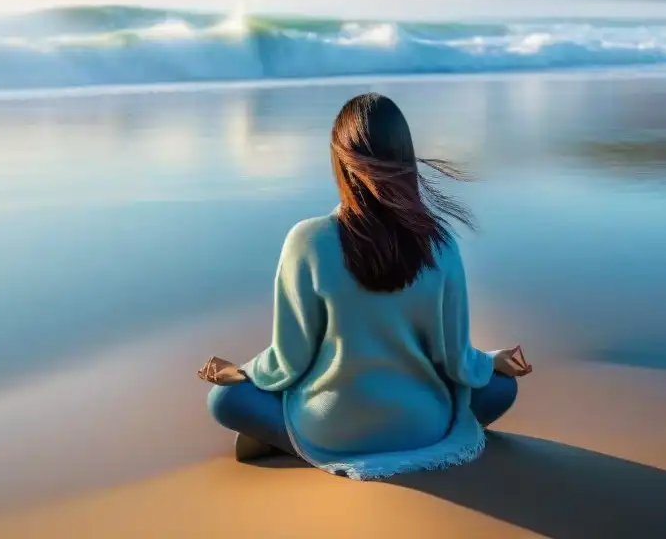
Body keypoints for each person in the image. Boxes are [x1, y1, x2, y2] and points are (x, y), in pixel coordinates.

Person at [205, 92, 532, 480]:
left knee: (225, 400)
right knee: (501, 388)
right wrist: (490, 360)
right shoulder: (440, 244)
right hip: (423, 425)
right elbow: (455, 360)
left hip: (333, 427)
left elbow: (289, 361)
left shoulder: (309, 240)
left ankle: (290, 443)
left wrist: (244, 372)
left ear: (341, 161)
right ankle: (388, 445)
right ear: (405, 157)